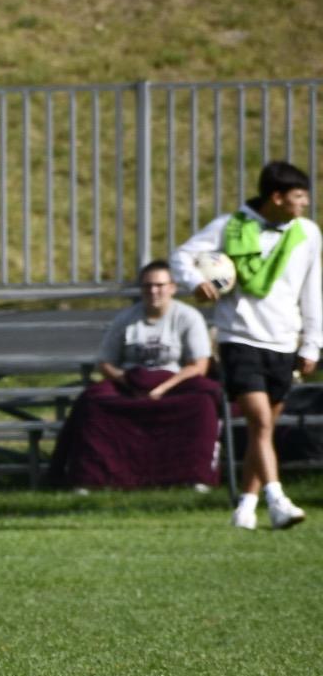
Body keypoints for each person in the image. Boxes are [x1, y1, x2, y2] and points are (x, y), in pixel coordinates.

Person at [171, 160, 321, 529]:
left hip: (284, 339)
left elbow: (312, 290)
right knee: (259, 422)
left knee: (264, 427)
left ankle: (246, 507)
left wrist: (313, 343)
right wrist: (195, 281)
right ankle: (278, 498)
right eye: (298, 197)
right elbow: (180, 256)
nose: (304, 204)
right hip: (239, 337)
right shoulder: (230, 226)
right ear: (276, 197)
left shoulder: (308, 233)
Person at [48, 261, 219, 491]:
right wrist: (127, 381)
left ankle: (196, 476)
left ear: (172, 287)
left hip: (172, 384)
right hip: (131, 383)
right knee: (92, 402)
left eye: (159, 285)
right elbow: (106, 362)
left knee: (202, 403)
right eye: (147, 286)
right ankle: (89, 477)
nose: (153, 291)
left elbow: (198, 366)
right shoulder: (126, 319)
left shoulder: (188, 317)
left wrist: (160, 389)